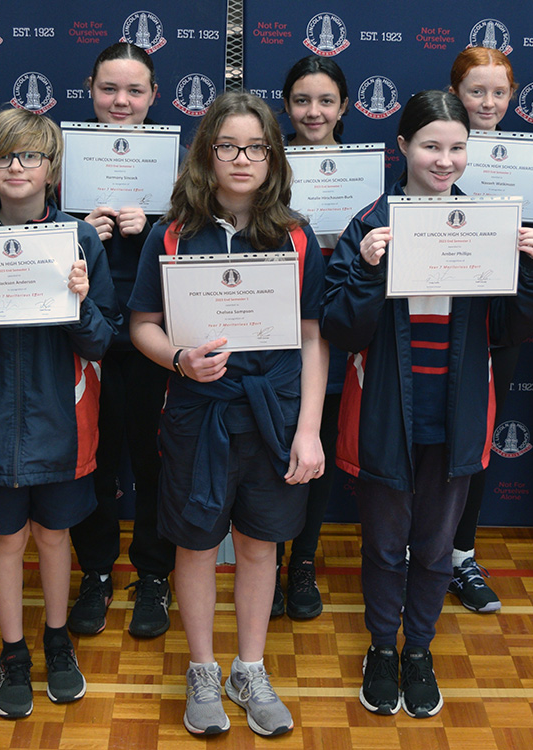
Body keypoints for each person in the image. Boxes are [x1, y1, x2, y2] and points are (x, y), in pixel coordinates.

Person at [323, 90, 533, 718]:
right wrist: (368, 272)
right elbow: (342, 329)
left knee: (433, 546)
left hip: (456, 413)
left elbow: (514, 328)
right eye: (430, 146)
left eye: (456, 147)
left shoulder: (487, 223)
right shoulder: (370, 224)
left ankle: (418, 650)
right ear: (403, 147)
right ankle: (380, 647)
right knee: (383, 543)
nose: (444, 160)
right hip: (385, 414)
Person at [126, 91, 325, 737]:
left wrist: (310, 429)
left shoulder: (296, 235)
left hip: (273, 416)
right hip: (198, 414)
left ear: (273, 157)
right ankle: (205, 670)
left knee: (261, 546)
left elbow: (313, 337)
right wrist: (179, 359)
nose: (243, 159)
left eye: (256, 147)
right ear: (207, 154)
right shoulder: (173, 234)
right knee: (195, 544)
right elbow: (142, 326)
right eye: (229, 146)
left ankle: (250, 667)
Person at [0, 108, 119, 719]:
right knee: (6, 541)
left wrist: (81, 299)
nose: (17, 167)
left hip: (61, 427)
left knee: (55, 536)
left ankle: (57, 641)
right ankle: (14, 652)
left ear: (51, 169)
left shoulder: (81, 240)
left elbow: (102, 342)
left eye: (30, 157)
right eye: (4, 157)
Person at [445, 45, 533, 614]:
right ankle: (412, 553)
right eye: (477, 91)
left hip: (501, 318)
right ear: (457, 94)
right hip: (438, 310)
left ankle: (460, 556)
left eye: (500, 92)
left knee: (477, 438)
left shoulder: (529, 158)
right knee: (423, 436)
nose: (489, 102)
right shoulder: (440, 145)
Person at [65, 41, 178, 640]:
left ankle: (155, 573)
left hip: (153, 331)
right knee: (94, 459)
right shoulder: (62, 159)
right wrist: (81, 231)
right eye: (110, 89)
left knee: (153, 458)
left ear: (154, 96)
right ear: (91, 88)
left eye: (135, 90)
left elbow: (201, 241)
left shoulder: (177, 165)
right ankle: (97, 572)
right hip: (86, 334)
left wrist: (158, 225)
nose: (121, 101)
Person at [270, 53, 351, 621]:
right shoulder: (268, 168)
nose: (314, 111)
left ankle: (303, 561)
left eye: (326, 100)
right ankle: (268, 559)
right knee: (276, 442)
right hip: (278, 318)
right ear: (287, 106)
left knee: (316, 439)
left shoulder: (363, 170)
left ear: (344, 107)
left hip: (341, 318)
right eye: (302, 100)